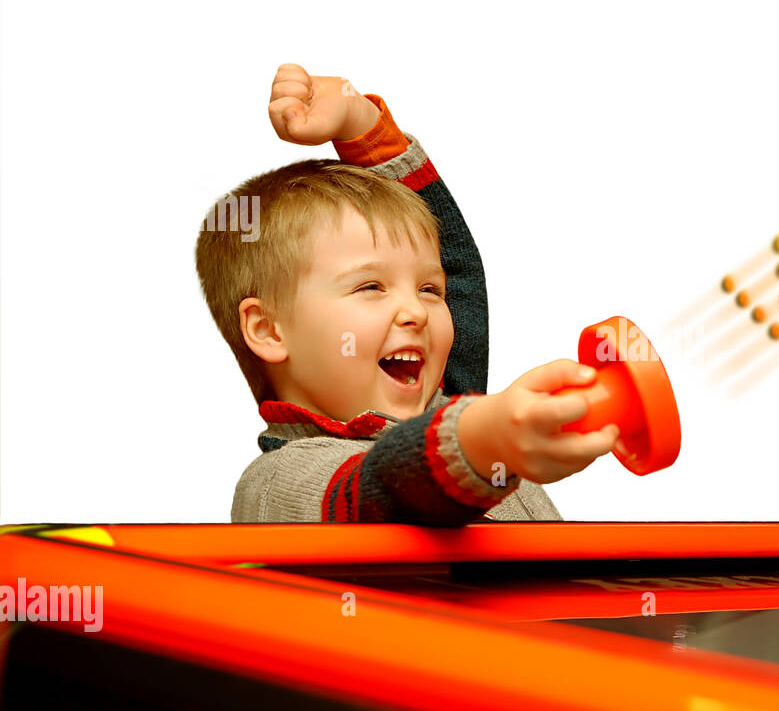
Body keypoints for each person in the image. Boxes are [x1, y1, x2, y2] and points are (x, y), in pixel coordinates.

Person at [195, 64, 619, 523]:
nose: (415, 310)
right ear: (269, 329)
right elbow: (379, 489)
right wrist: (481, 442)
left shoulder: (450, 405)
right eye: (370, 286)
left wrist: (364, 128)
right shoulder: (278, 483)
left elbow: (456, 265)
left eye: (429, 290)